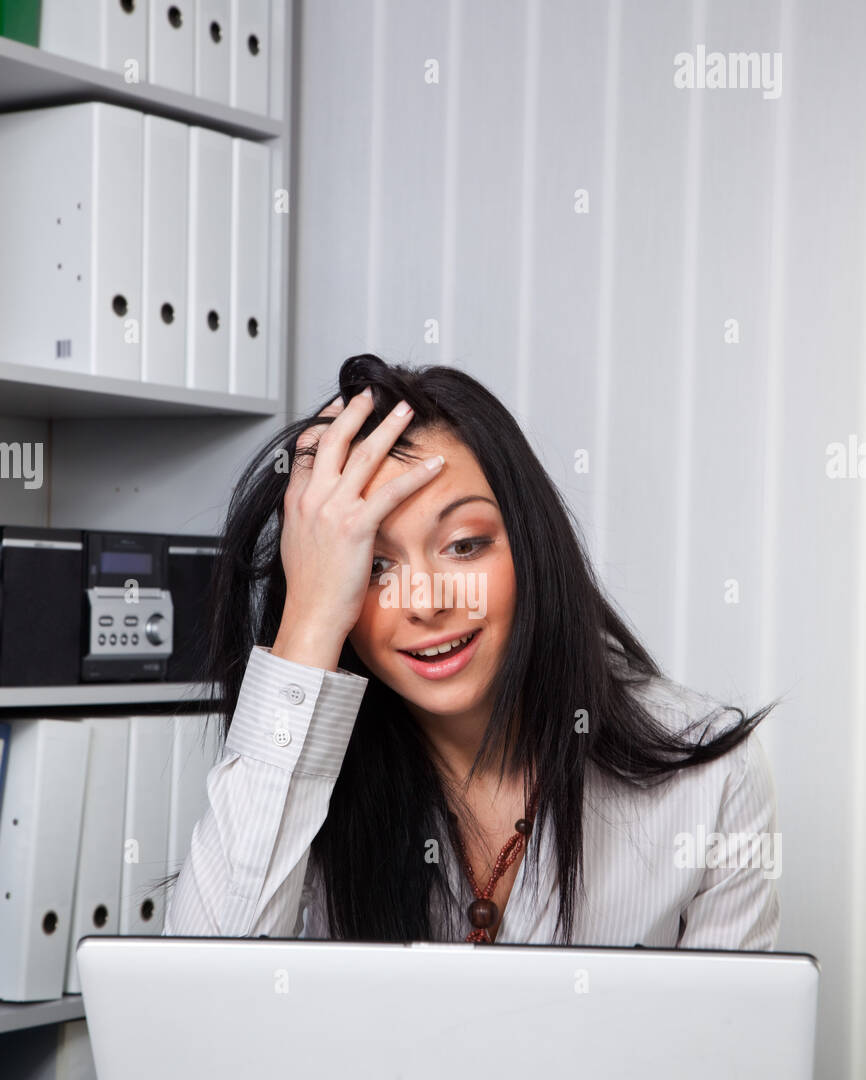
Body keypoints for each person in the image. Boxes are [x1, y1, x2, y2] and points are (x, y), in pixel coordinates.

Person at [161, 353, 781, 949]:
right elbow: (195, 1008)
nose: (424, 601)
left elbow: (731, 1048)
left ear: (531, 548)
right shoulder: (305, 760)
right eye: (372, 565)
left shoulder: (711, 774)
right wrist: (309, 623)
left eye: (463, 545)